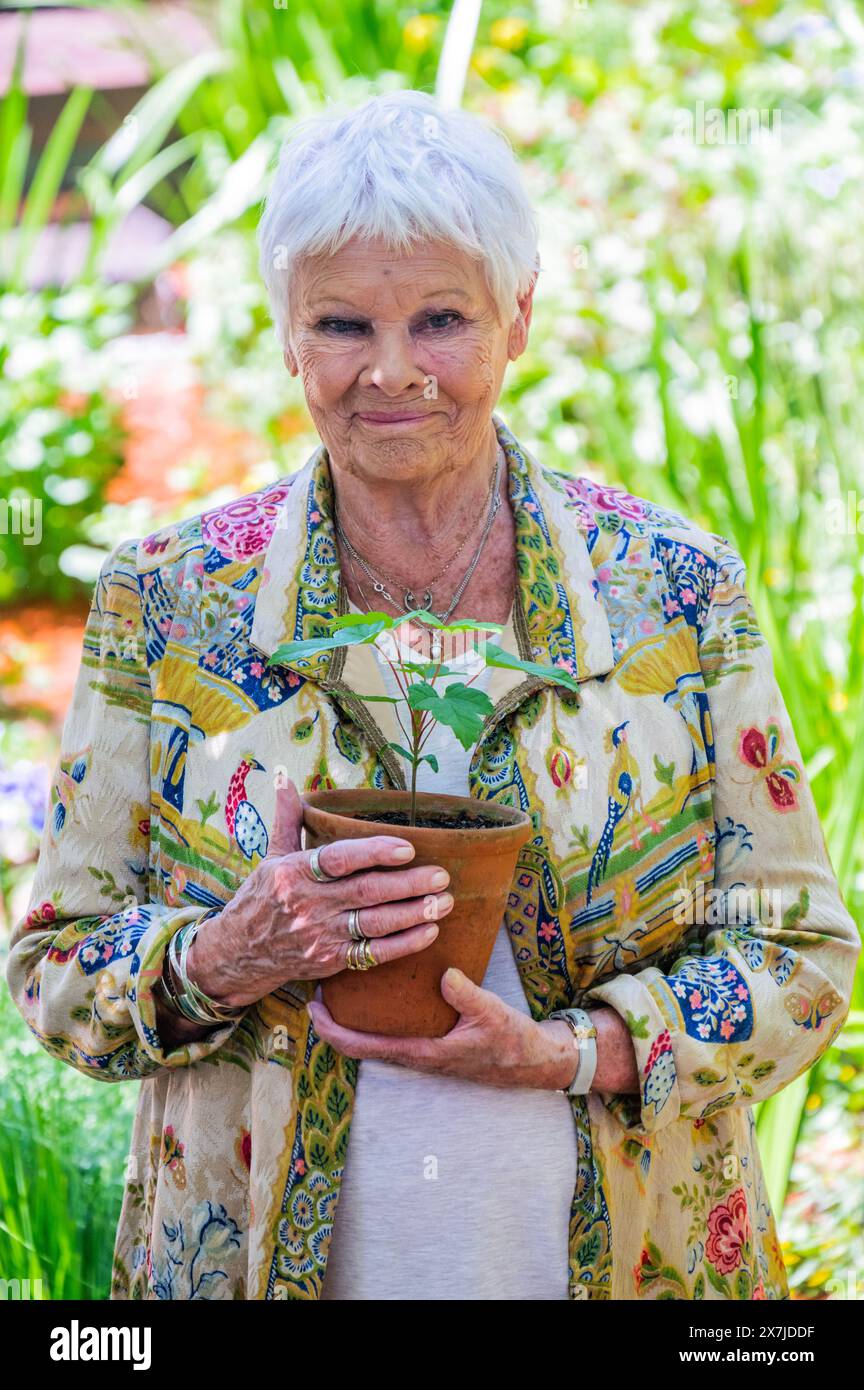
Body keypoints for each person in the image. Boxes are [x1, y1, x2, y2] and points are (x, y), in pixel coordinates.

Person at [7, 89, 860, 1301]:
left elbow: (803, 951)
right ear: (287, 333)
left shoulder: (672, 589)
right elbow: (55, 970)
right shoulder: (172, 601)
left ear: (519, 317)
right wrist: (226, 954)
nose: (392, 372)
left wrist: (576, 1052)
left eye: (443, 319)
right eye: (344, 323)